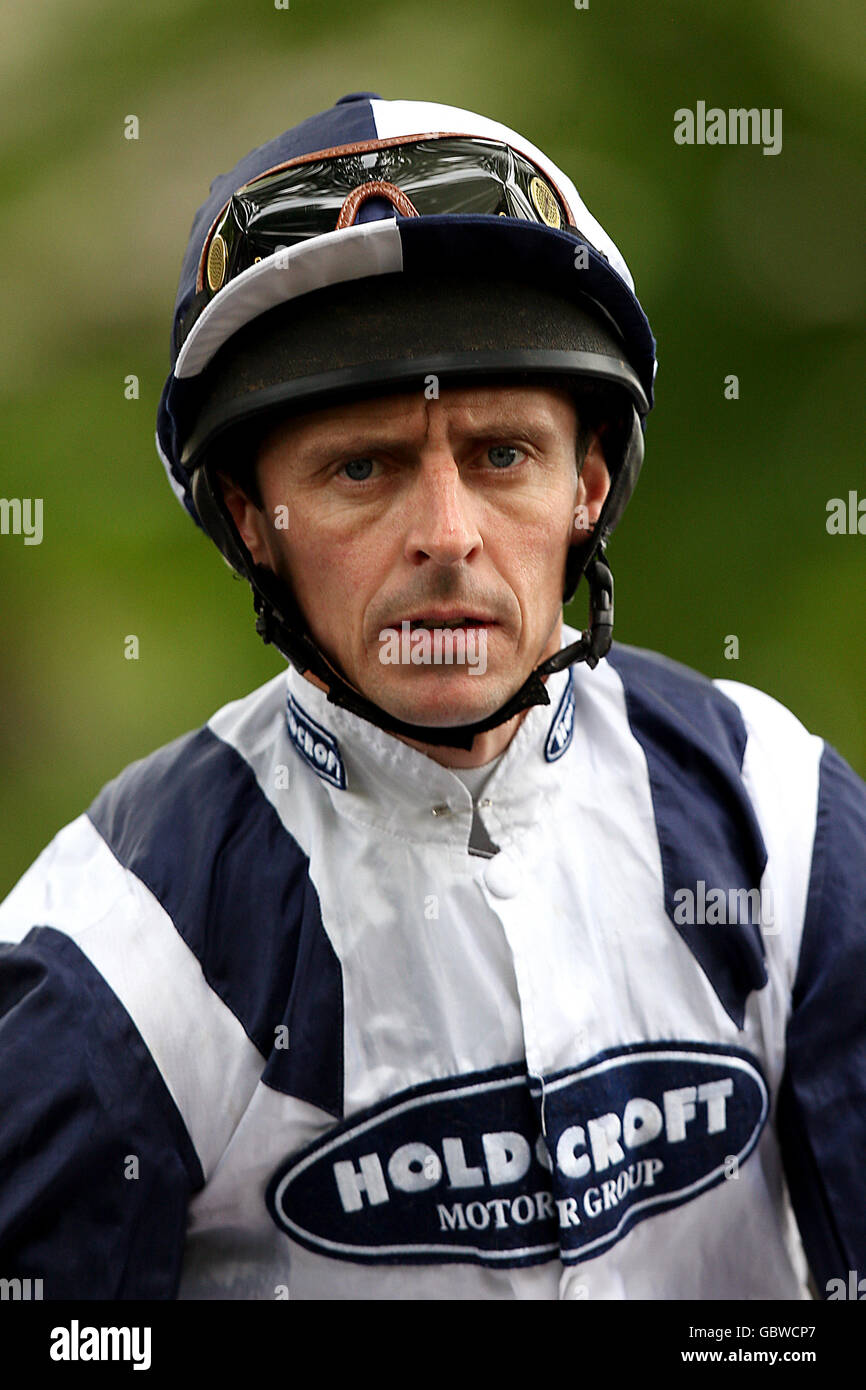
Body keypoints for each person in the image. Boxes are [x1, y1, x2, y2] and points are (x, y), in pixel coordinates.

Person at [0, 92, 863, 1302]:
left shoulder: (781, 820)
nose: (448, 537)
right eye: (363, 468)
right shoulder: (122, 943)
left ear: (590, 487)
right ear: (254, 523)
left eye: (503, 453)